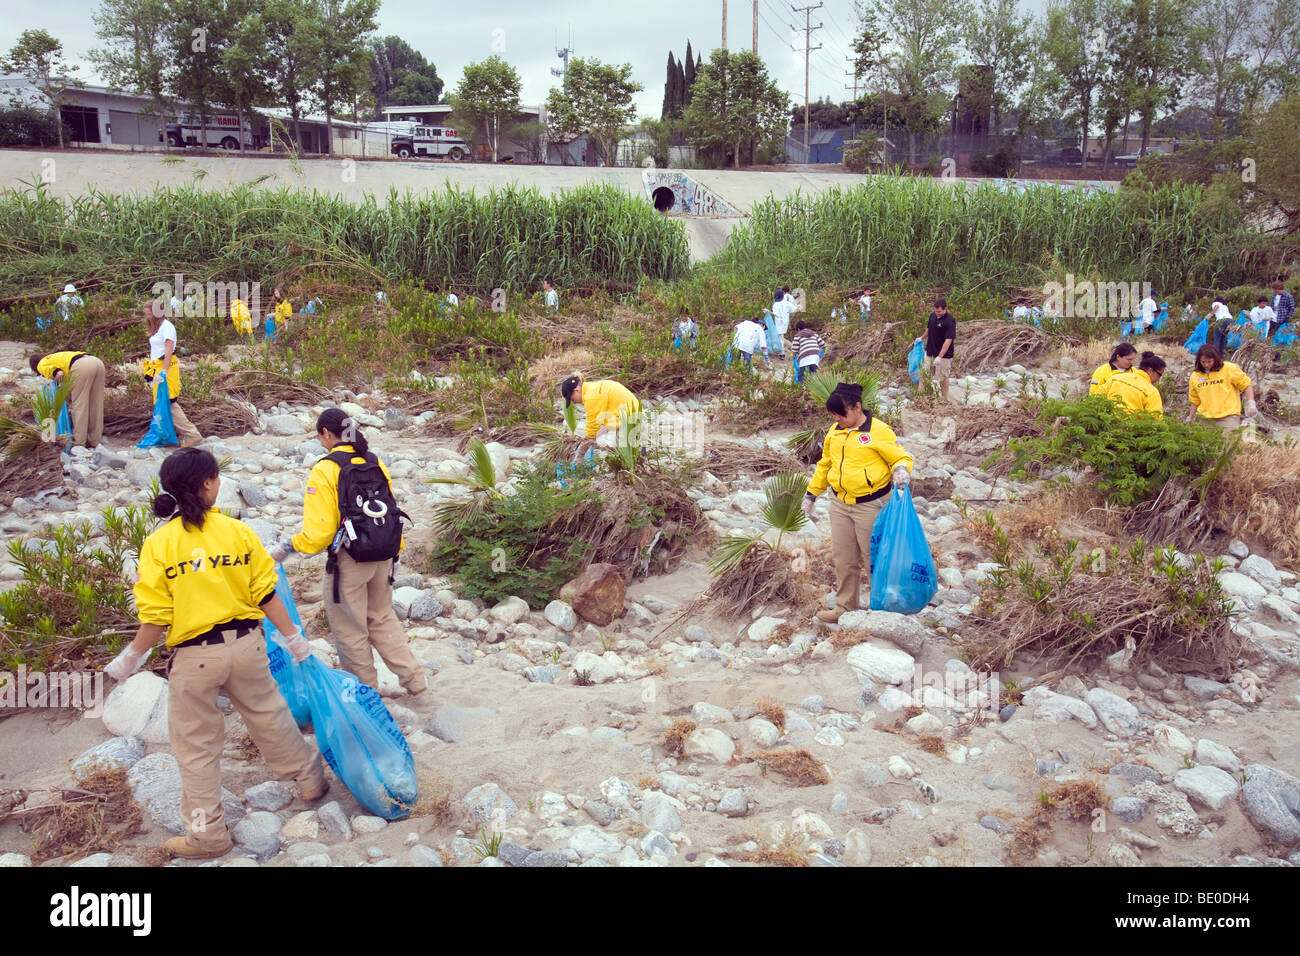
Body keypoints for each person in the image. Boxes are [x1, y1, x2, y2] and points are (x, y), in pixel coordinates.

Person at [105, 447, 326, 859]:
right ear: (208, 484)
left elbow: (156, 616)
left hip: (195, 657)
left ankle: (207, 836)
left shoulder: (159, 543)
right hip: (246, 646)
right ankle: (310, 778)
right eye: (216, 477)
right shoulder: (237, 531)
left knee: (195, 748)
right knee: (268, 713)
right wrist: (294, 637)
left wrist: (131, 657)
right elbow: (265, 592)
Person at [271, 409, 428, 701]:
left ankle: (367, 696)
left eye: (320, 436)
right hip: (384, 555)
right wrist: (396, 550)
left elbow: (318, 533)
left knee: (350, 629)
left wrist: (288, 548)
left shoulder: (326, 469)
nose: (320, 442)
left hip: (349, 561)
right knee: (381, 618)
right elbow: (389, 509)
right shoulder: (372, 461)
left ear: (327, 434)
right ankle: (416, 683)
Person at [801, 382, 913, 623]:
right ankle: (845, 607)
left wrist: (902, 469)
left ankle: (882, 611)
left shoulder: (879, 431)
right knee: (844, 558)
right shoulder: (835, 431)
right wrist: (811, 494)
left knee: (875, 559)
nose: (837, 419)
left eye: (842, 413)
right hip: (840, 504)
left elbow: (900, 457)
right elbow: (826, 464)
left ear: (857, 407)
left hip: (870, 505)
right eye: (833, 414)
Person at [142, 302, 203, 447]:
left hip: (166, 368)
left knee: (169, 402)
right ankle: (169, 435)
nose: (147, 317)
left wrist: (164, 370)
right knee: (163, 402)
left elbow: (168, 349)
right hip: (158, 367)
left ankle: (192, 434)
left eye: (149, 314)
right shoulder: (158, 328)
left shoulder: (167, 327)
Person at [30, 349, 107, 451]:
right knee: (96, 405)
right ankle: (95, 441)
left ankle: (79, 444)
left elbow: (59, 374)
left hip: (82, 366)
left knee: (80, 405)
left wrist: (59, 390)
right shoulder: (54, 357)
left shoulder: (41, 364)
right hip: (97, 362)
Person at [1187, 344, 1256, 431]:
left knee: (1228, 443)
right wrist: (1190, 417)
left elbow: (1246, 385)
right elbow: (1195, 400)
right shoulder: (1195, 376)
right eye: (1203, 362)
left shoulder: (1229, 368)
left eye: (1209, 362)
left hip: (1228, 418)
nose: (1206, 365)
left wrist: (1251, 402)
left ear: (1215, 359)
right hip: (1205, 419)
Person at [560, 375, 641, 448]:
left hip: (631, 423)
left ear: (577, 390)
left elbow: (592, 427)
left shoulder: (591, 397)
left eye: (572, 399)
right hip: (633, 417)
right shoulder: (593, 388)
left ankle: (626, 453)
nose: (574, 402)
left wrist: (581, 451)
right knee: (600, 431)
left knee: (601, 440)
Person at [1102, 351, 1166, 418]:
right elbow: (1156, 419)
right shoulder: (1152, 392)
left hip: (1107, 423)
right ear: (1150, 371)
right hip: (1131, 427)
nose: (1159, 379)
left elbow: (1097, 395)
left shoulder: (1116, 378)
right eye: (1159, 375)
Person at [917, 298, 956, 401]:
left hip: (944, 355)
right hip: (930, 351)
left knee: (943, 378)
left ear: (945, 309)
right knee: (924, 375)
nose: (937, 313)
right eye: (935, 311)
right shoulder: (933, 315)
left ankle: (944, 399)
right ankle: (920, 399)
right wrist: (922, 337)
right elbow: (929, 328)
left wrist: (940, 357)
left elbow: (948, 341)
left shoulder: (949, 321)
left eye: (939, 311)